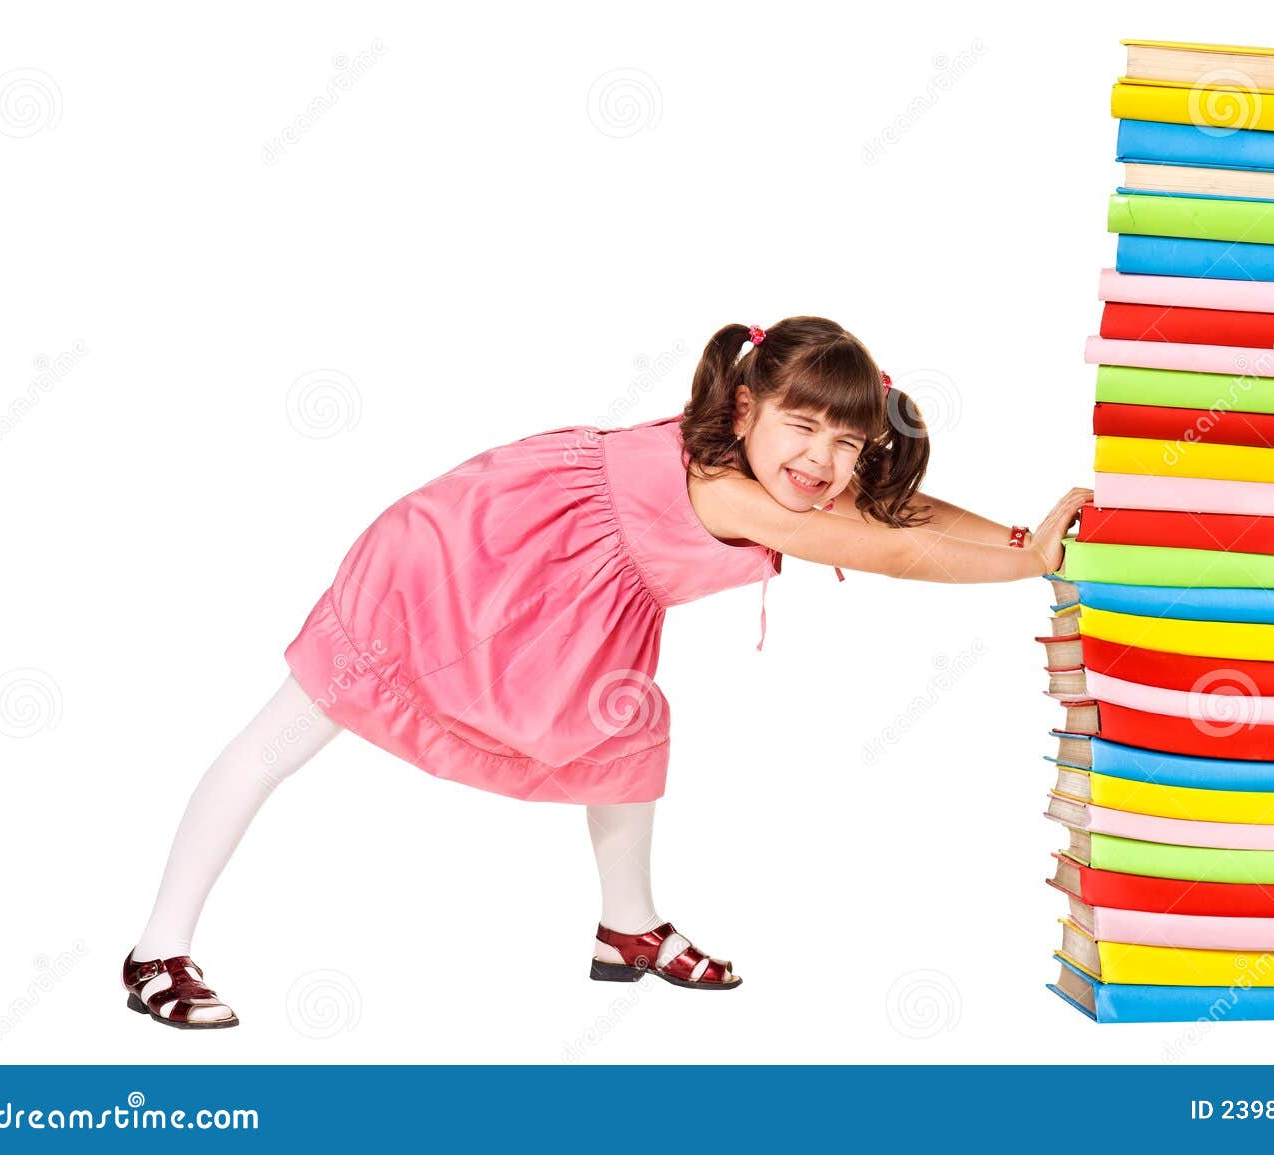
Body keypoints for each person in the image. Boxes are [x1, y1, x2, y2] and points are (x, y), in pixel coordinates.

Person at [121, 315, 1091, 1027]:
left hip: (557, 603)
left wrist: (1021, 536)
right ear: (746, 408)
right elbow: (894, 550)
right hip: (449, 564)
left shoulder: (765, 470)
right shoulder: (729, 488)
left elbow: (895, 511)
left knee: (627, 730)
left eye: (846, 443)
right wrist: (1027, 565)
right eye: (803, 426)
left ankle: (629, 926)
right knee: (284, 737)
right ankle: (156, 950)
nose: (823, 460)